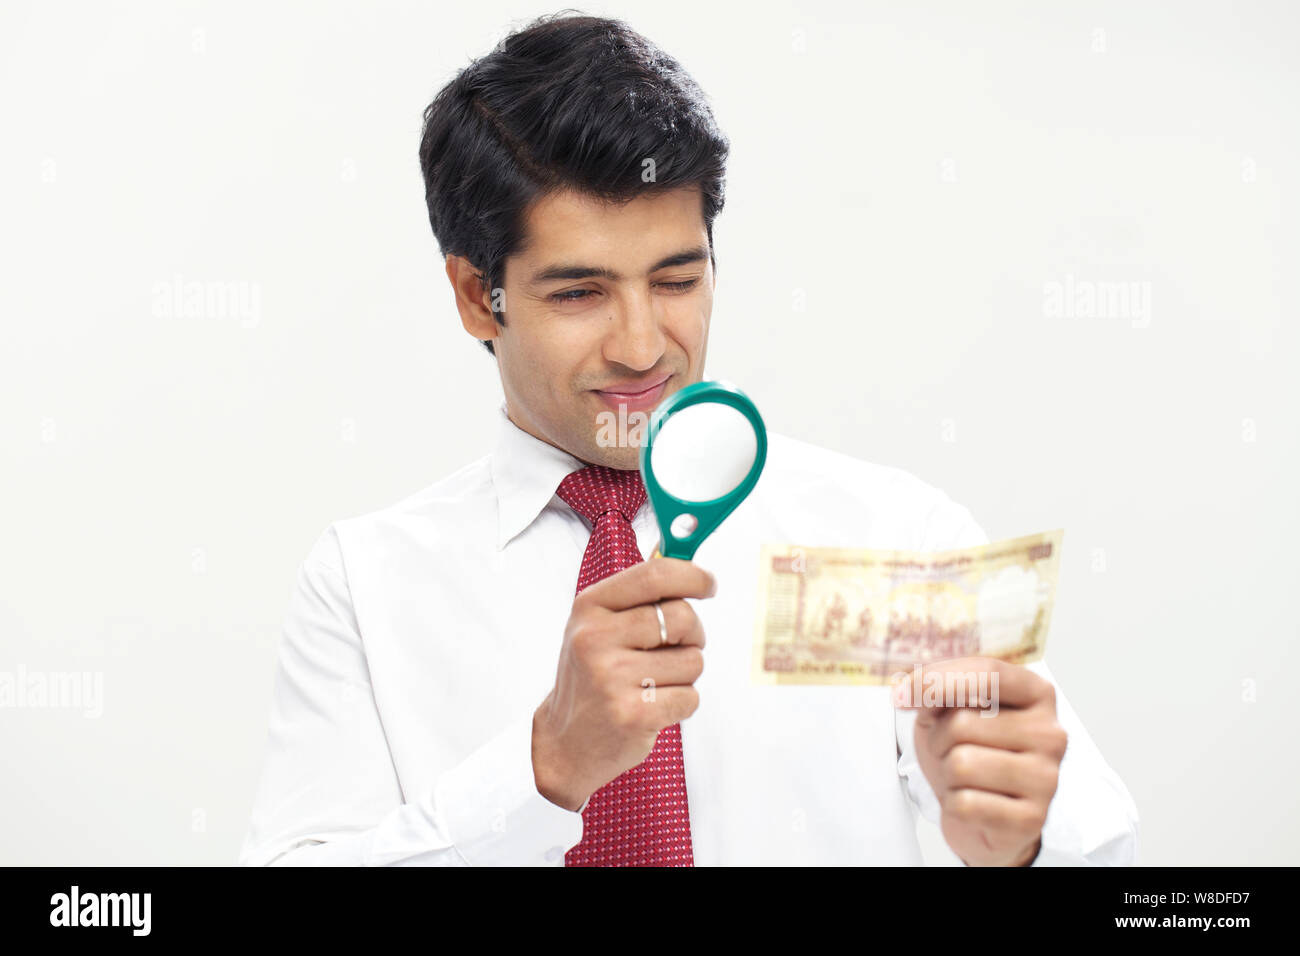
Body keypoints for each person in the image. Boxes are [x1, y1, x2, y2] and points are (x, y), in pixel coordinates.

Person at [239, 12, 1138, 867]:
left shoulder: (896, 538)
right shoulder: (364, 585)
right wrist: (545, 768)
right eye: (578, 293)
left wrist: (1014, 846)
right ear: (479, 296)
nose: (641, 347)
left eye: (676, 279)